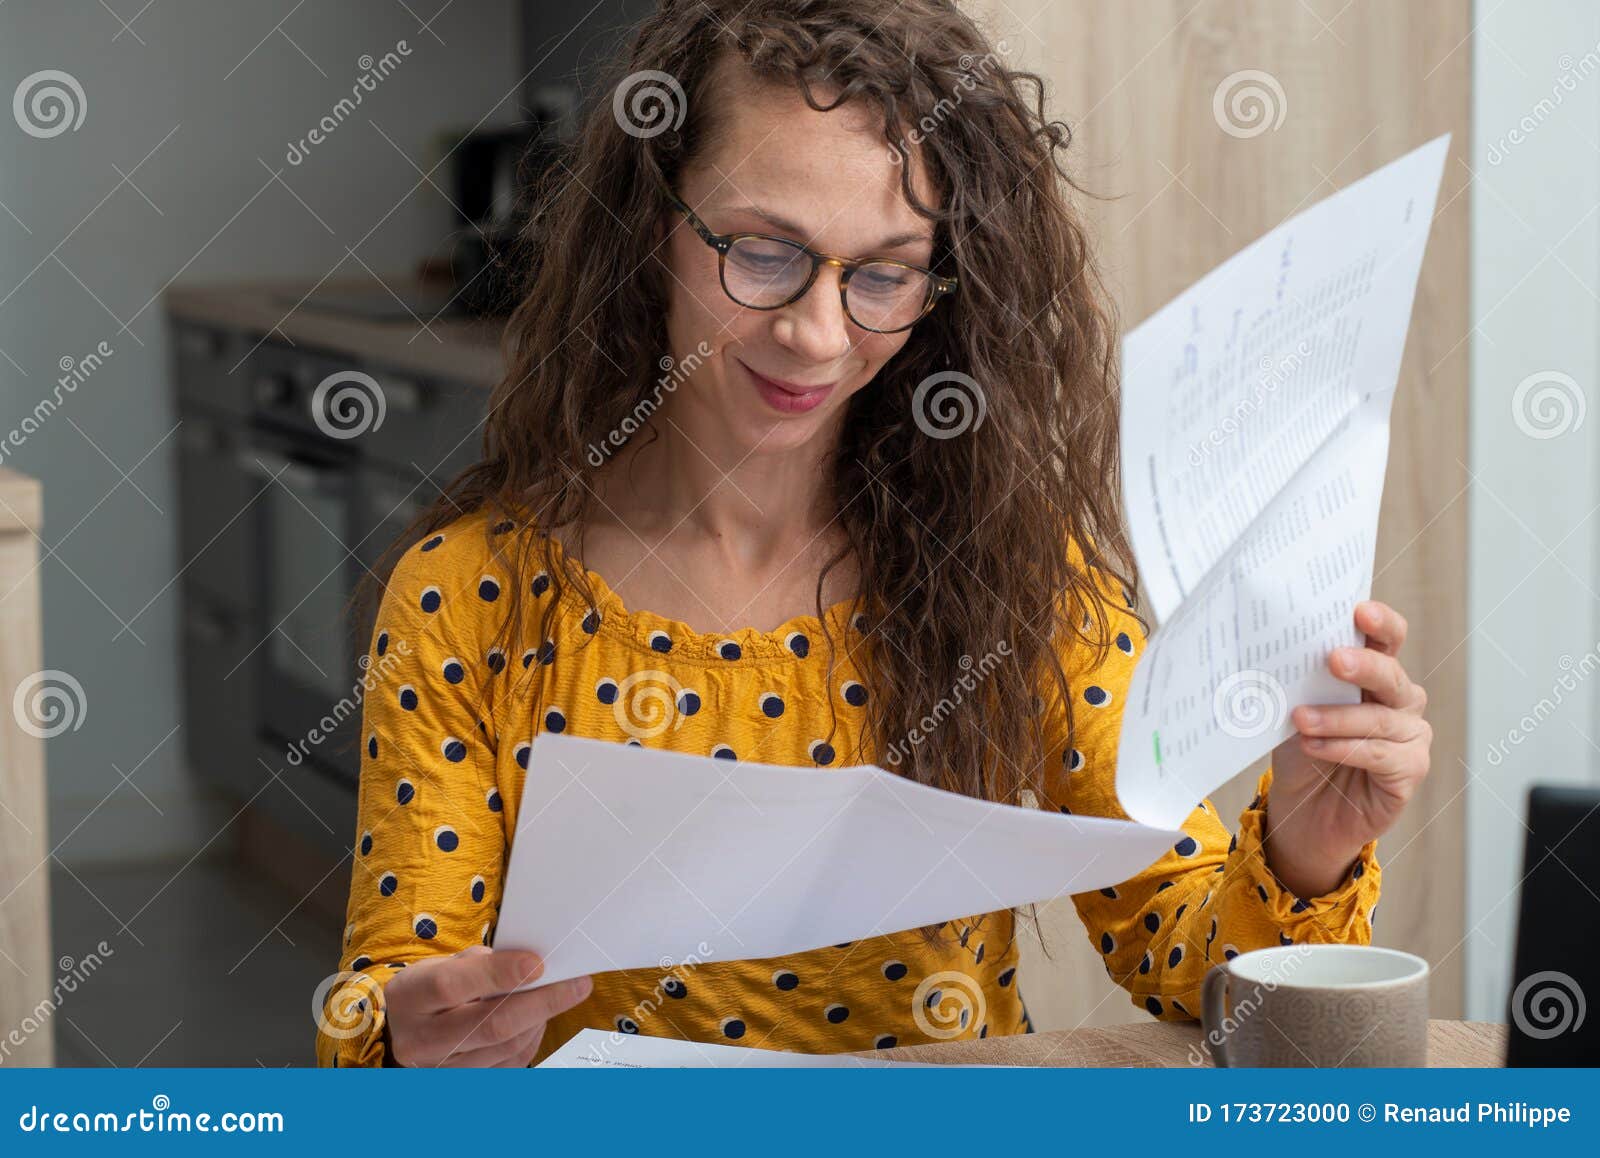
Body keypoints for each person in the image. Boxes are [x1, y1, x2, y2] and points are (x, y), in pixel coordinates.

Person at [314, 0, 1431, 1068]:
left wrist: (1307, 842)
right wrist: (423, 1041)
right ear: (651, 227)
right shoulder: (471, 593)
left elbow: (1189, 966)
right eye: (760, 251)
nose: (814, 333)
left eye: (886, 274)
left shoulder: (1018, 575)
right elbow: (390, 987)